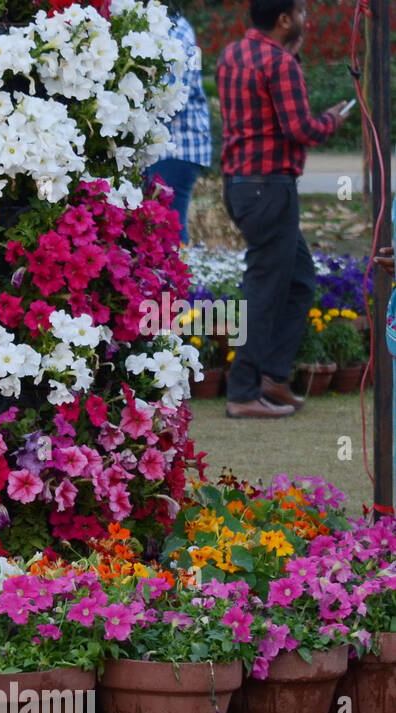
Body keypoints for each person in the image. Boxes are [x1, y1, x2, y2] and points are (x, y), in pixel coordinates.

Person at [216, 0, 350, 419]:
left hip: (241, 186)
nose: (307, 20)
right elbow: (300, 128)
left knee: (297, 281)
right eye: (302, 14)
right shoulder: (280, 63)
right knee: (265, 290)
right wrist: (331, 120)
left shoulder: (232, 54)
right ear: (284, 19)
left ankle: (273, 378)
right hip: (270, 188)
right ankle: (242, 393)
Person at [143, 10, 210, 245]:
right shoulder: (159, 23)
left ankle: (177, 282)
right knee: (152, 231)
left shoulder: (176, 30)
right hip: (158, 146)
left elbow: (170, 94)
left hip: (176, 146)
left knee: (168, 230)